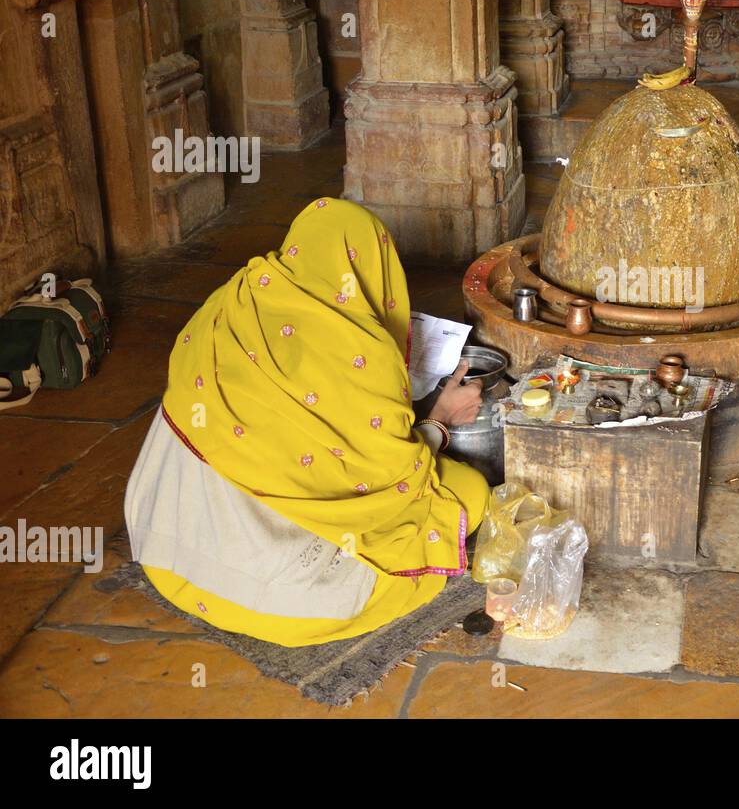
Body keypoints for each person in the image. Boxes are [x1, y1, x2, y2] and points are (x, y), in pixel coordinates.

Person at [123, 198, 489, 646]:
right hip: (283, 596)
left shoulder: (230, 304)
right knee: (468, 493)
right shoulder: (363, 352)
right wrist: (440, 421)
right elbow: (390, 485)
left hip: (167, 551)